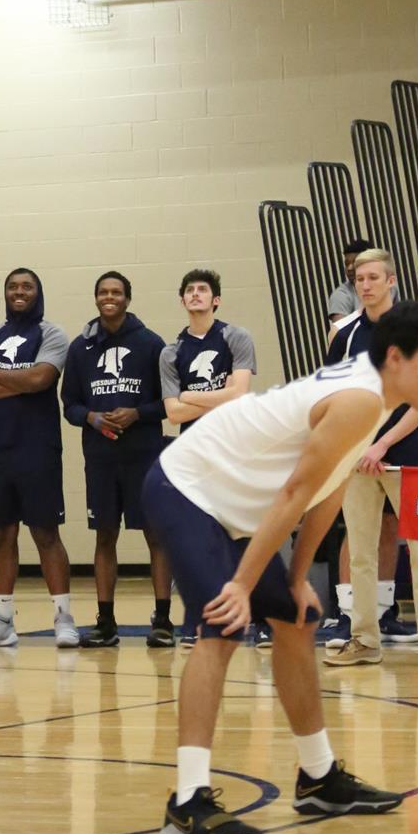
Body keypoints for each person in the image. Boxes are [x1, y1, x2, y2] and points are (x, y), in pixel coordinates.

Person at [143, 301, 418, 834]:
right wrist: (241, 585)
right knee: (221, 624)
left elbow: (327, 489)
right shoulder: (360, 400)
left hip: (229, 507)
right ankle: (187, 802)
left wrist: (293, 580)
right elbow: (293, 494)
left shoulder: (375, 396)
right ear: (396, 357)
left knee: (294, 617)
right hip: (187, 488)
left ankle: (318, 778)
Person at [321, 250, 418, 669]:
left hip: (406, 453)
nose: (365, 284)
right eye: (359, 278)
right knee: (360, 552)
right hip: (357, 458)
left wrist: (383, 444)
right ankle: (364, 639)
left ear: (391, 281)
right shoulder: (345, 335)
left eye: (373, 277)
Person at [0, 268, 76, 648]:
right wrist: (18, 382)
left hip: (38, 446)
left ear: (38, 292)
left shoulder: (52, 333)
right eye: (13, 286)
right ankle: (2, 622)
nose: (19, 292)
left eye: (27, 286)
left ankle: (63, 618)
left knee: (45, 532)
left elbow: (41, 380)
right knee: (1, 534)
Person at [61, 270, 170, 647]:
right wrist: (91, 417)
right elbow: (69, 405)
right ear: (96, 299)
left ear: (127, 298)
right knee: (105, 536)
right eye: (104, 292)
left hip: (144, 457)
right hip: (101, 458)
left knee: (156, 535)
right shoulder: (80, 348)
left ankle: (163, 619)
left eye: (117, 292)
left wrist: (137, 413)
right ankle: (105, 622)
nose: (110, 297)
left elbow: (168, 404)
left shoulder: (152, 344)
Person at [159, 269, 258, 641]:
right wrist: (217, 396)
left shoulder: (235, 337)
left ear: (216, 299)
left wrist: (189, 396)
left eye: (203, 290)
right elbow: (172, 413)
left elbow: (242, 393)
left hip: (234, 446)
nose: (196, 295)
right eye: (190, 290)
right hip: (195, 452)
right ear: (182, 300)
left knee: (241, 532)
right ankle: (199, 619)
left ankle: (258, 617)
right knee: (196, 538)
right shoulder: (172, 352)